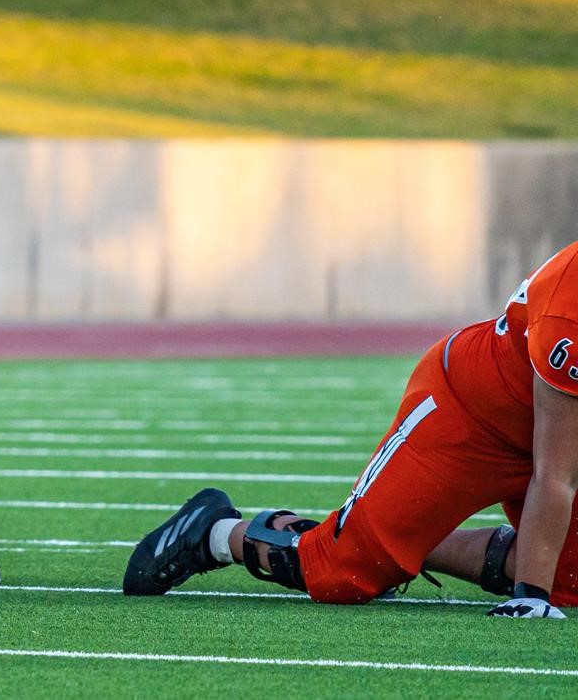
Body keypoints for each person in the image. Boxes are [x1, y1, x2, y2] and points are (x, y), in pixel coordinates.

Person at [124, 240, 578, 618]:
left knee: (571, 583)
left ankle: (406, 536)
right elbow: (555, 472)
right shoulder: (570, 318)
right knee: (338, 571)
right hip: (470, 417)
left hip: (544, 434)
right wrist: (530, 597)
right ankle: (215, 534)